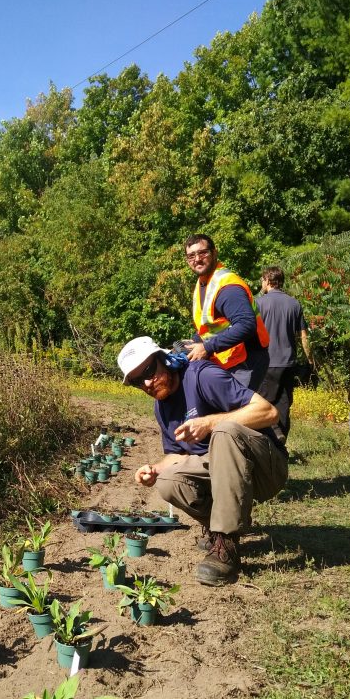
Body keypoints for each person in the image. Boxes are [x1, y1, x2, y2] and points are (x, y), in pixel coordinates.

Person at [117, 336, 288, 586]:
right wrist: (155, 469)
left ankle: (225, 545)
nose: (146, 382)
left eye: (149, 370)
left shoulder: (202, 375)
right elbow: (179, 455)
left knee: (224, 431)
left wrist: (209, 423)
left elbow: (268, 412)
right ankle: (220, 528)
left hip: (265, 469)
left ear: (163, 360)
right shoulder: (162, 406)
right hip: (225, 472)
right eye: (136, 381)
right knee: (167, 481)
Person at [183, 233, 270, 390]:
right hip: (228, 358)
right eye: (191, 256)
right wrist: (193, 343)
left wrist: (207, 347)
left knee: (239, 413)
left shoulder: (227, 286)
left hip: (246, 361)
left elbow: (246, 324)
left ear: (214, 253)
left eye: (202, 253)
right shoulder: (203, 282)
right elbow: (209, 326)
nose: (197, 259)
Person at [257, 266, 312, 443]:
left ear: (267, 280)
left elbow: (249, 333)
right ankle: (281, 445)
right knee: (284, 404)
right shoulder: (294, 303)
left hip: (266, 363)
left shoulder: (259, 303)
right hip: (288, 363)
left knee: (262, 403)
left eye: (262, 280)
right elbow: (304, 336)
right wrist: (310, 360)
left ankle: (269, 440)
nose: (261, 283)